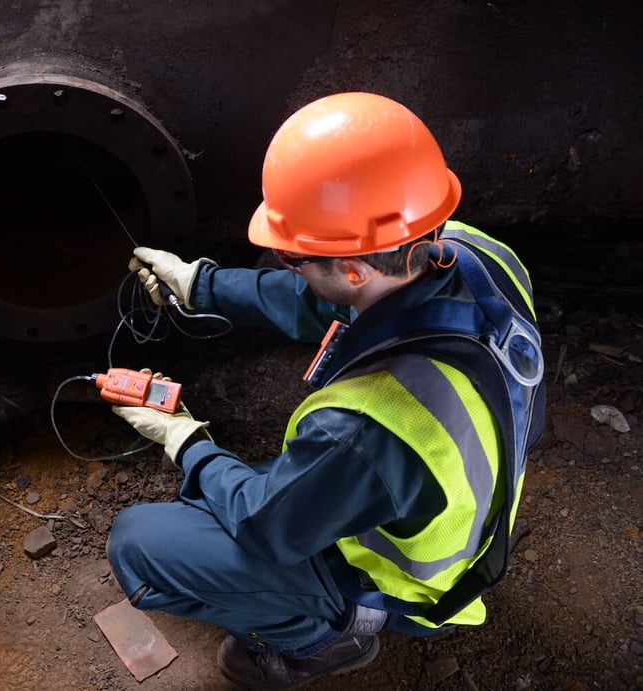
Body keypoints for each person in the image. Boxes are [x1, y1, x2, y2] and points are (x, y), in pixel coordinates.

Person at [107, 92, 546, 689]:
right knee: (237, 493)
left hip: (414, 582)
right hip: (454, 504)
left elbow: (264, 522)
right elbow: (326, 298)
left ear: (356, 269)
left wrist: (187, 442)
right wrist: (201, 285)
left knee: (142, 542)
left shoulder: (367, 428)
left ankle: (326, 639)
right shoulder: (472, 252)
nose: (282, 262)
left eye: (293, 256)